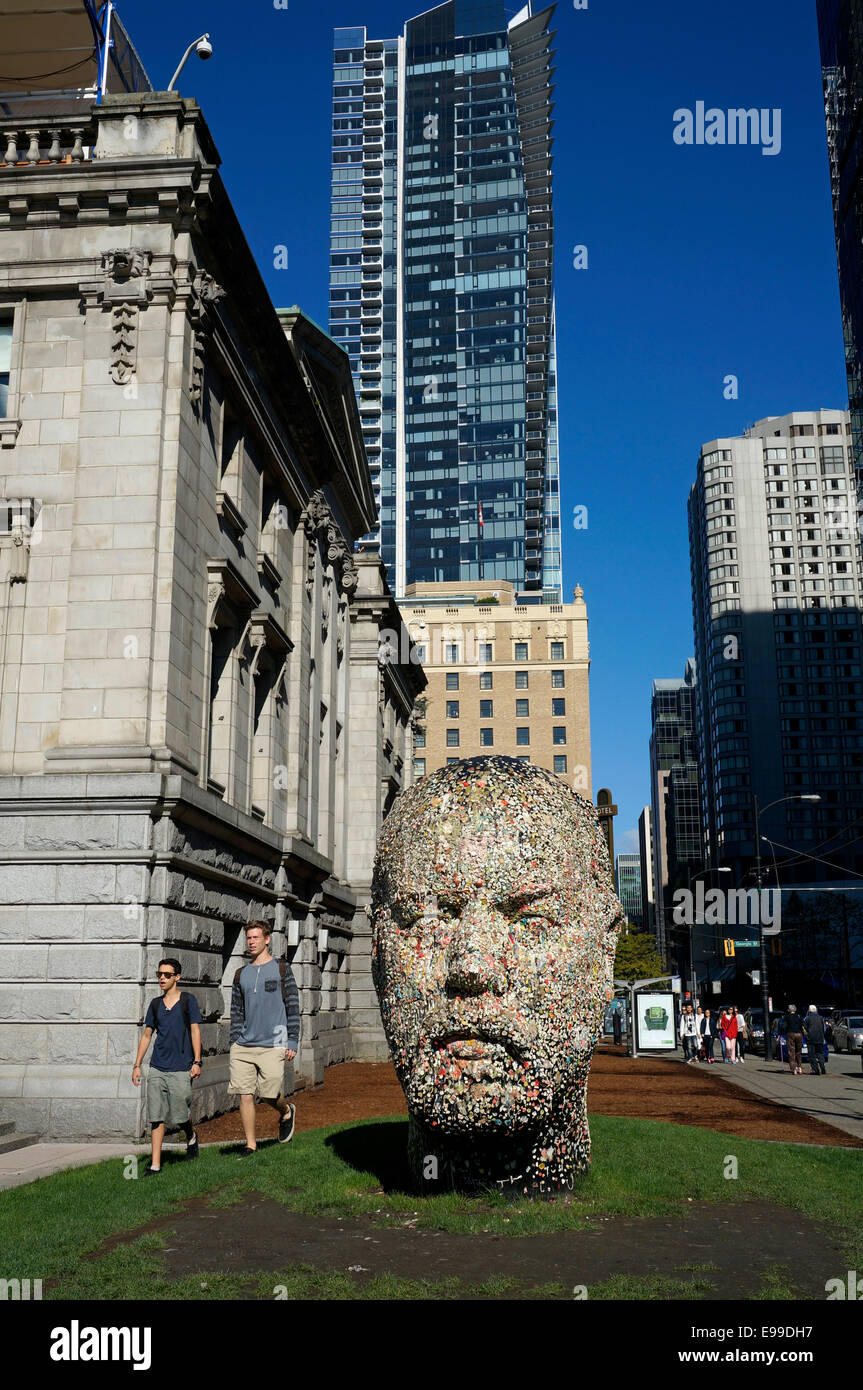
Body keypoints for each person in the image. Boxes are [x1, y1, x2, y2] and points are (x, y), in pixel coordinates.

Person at [229, 921, 300, 1155]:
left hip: (274, 1043)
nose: (251, 942)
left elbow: (292, 1005)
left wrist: (292, 1040)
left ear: (267, 939)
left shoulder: (282, 968)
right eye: (249, 938)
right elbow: (236, 1010)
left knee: (269, 1093)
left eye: (256, 937)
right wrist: (234, 1040)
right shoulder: (241, 974)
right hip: (244, 1045)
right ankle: (250, 1144)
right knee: (245, 1094)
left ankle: (286, 1111)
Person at [132, 958, 202, 1175]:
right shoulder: (155, 1004)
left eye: (167, 975)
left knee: (181, 1115)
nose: (162, 978)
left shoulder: (187, 1001)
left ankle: (190, 1135)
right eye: (159, 974)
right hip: (158, 1067)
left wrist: (197, 1061)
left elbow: (195, 1031)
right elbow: (146, 1035)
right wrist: (137, 1065)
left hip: (181, 1066)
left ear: (177, 977)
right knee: (156, 1115)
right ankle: (155, 1165)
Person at [781, 1003, 805, 1074]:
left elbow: (784, 1026)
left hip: (790, 1034)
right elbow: (803, 1025)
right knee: (798, 1051)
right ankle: (800, 1067)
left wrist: (780, 1033)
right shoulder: (799, 1016)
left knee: (791, 1052)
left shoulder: (787, 1017)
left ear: (789, 1010)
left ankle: (794, 1069)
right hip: (799, 1034)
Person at [803, 1004, 826, 1075]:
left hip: (811, 1039)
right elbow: (824, 1029)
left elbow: (804, 1029)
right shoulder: (821, 1018)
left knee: (811, 1055)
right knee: (820, 1053)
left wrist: (806, 1036)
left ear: (809, 1010)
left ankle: (816, 1069)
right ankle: (822, 1066)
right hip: (820, 1038)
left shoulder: (807, 1018)